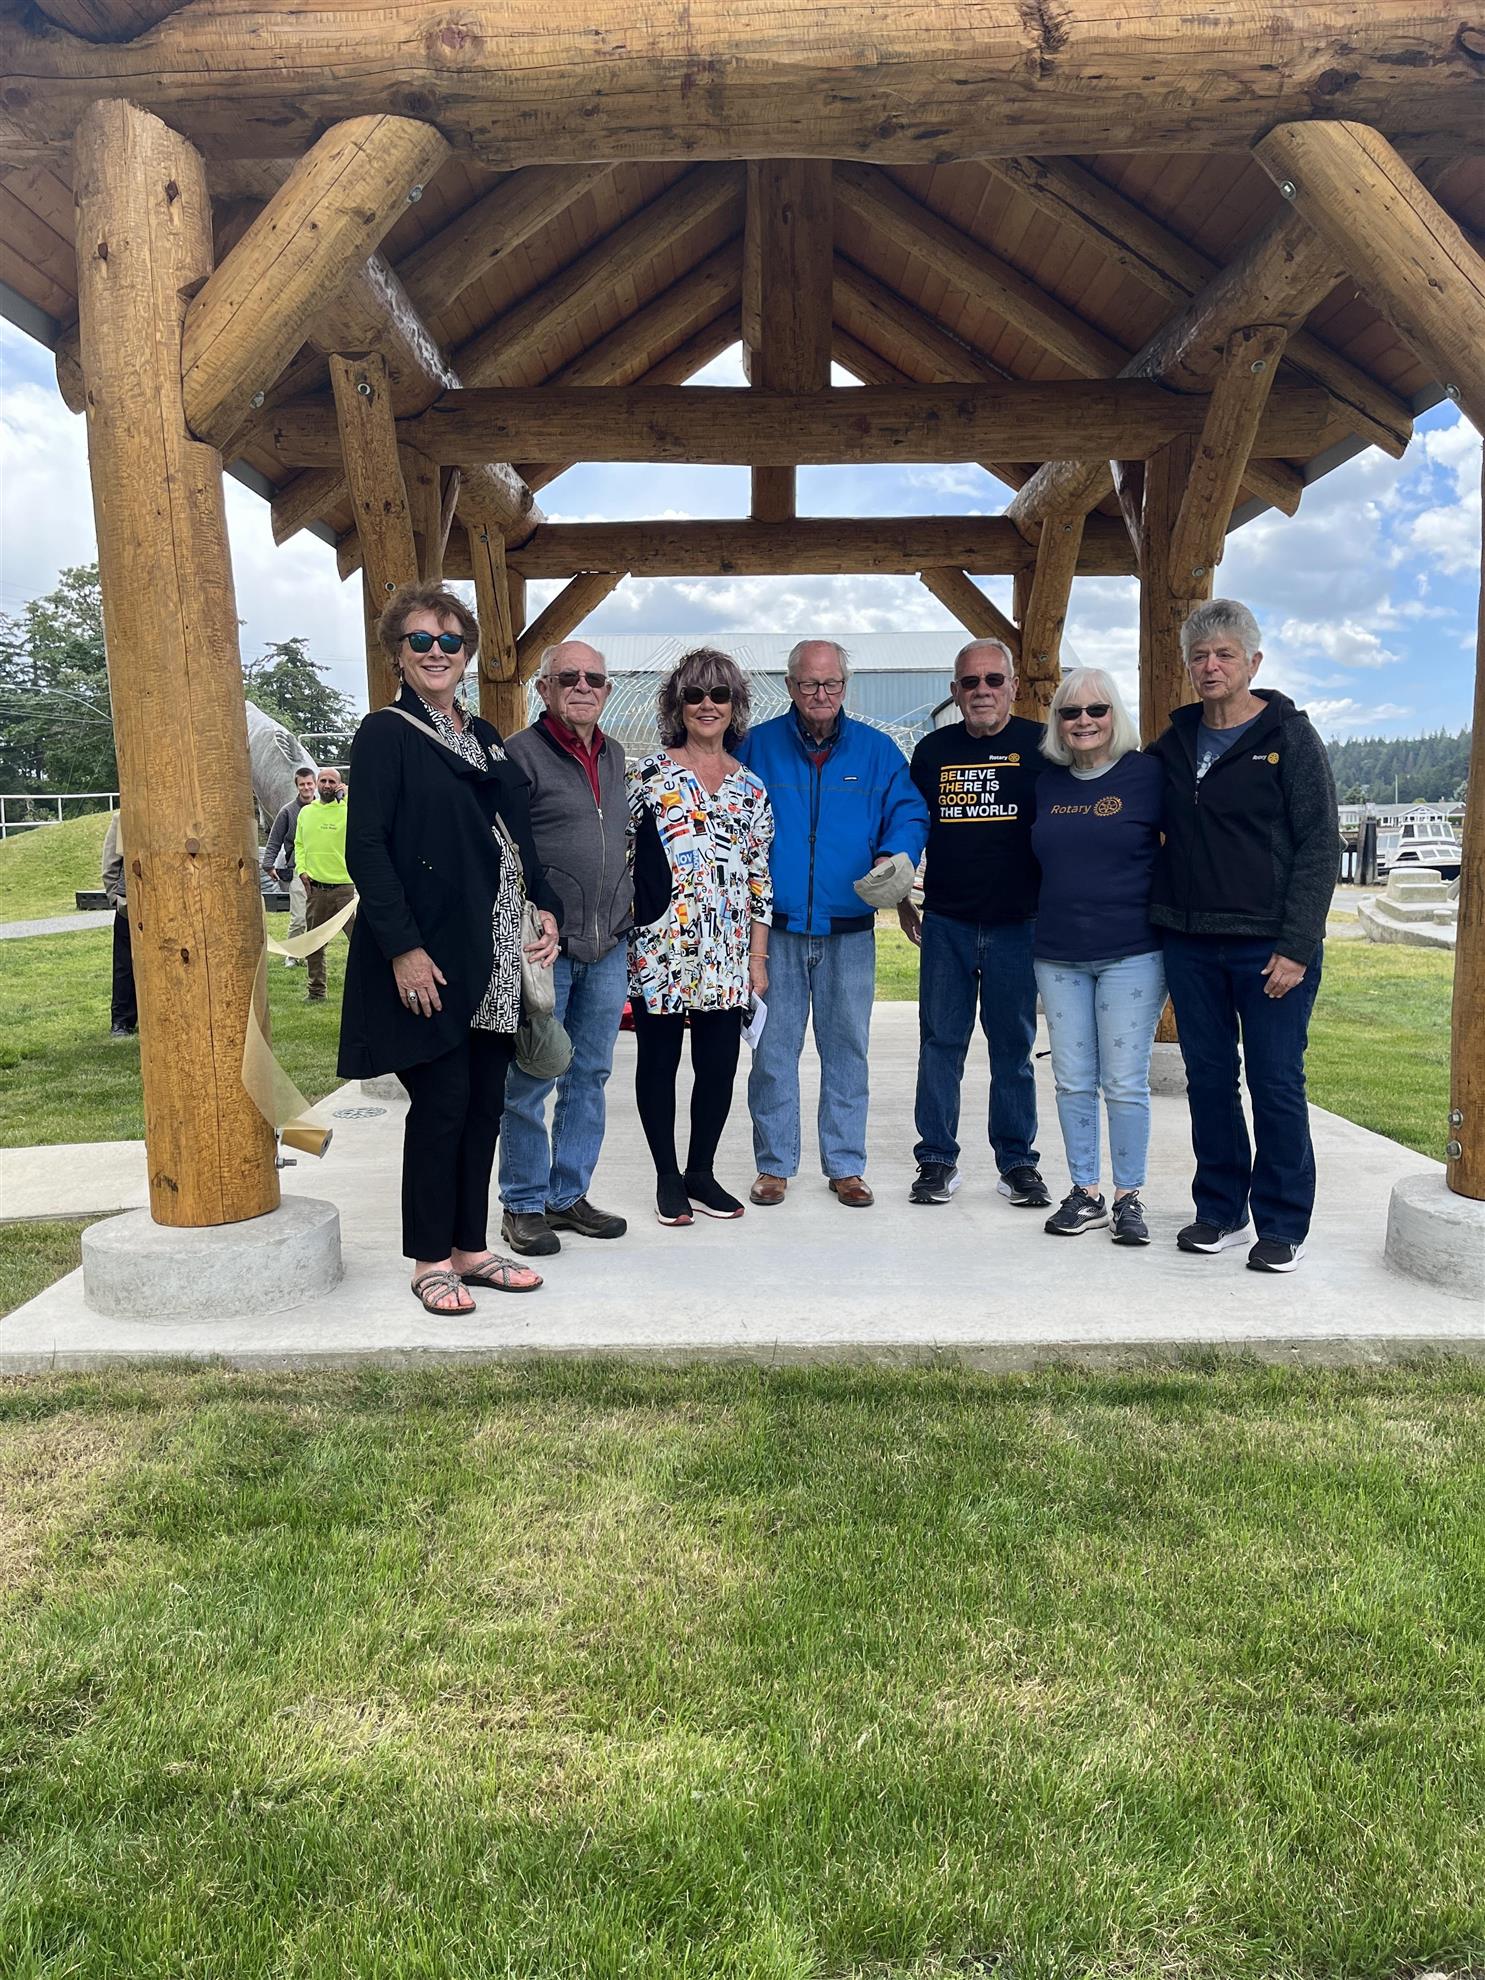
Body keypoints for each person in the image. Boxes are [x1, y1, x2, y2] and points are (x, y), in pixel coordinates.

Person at [337, 580, 560, 1313]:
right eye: (420, 641)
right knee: (440, 1104)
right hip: (429, 955)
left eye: (449, 641)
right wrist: (402, 948)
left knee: (483, 1106)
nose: (436, 653)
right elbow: (366, 847)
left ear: (466, 653)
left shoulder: (488, 736)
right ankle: (429, 1259)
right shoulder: (385, 734)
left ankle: (470, 1249)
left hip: (495, 954)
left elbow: (517, 838)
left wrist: (544, 907)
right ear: (397, 655)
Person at [1148, 599, 1340, 1275]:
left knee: (1275, 1081)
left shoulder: (1289, 737)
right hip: (1191, 942)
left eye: (1224, 654)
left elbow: (1320, 845)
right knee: (1208, 1080)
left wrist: (1295, 946)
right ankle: (1221, 1211)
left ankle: (1282, 1223)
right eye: (1199, 656)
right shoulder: (1171, 746)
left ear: (1252, 662)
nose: (1210, 666)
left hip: (1269, 949)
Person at [737, 639, 928, 1209]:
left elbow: (910, 811)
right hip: (778, 930)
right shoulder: (757, 746)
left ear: (845, 687)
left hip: (849, 931)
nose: (821, 695)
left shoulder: (877, 751)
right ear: (791, 686)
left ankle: (846, 1165)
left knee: (847, 1049)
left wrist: (894, 854)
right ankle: (774, 1165)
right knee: (773, 1052)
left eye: (832, 685)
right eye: (809, 684)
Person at [899, 640, 1048, 1210]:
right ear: (954, 692)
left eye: (992, 680)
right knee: (940, 1043)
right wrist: (901, 900)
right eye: (969, 682)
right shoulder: (933, 750)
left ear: (1012, 685)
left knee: (1013, 1046)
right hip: (948, 922)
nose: (981, 690)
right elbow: (910, 829)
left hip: (1019, 922)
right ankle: (936, 1160)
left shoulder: (1043, 745)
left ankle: (1017, 1163)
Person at [627, 646, 773, 1227]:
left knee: (718, 1065)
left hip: (729, 951)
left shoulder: (753, 789)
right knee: (659, 1062)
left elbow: (761, 877)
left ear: (735, 705)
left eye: (720, 695)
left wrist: (757, 957)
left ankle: (701, 1171)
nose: (707, 705)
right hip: (662, 947)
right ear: (677, 704)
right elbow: (623, 861)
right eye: (694, 694)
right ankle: (666, 1176)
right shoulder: (647, 776)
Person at [498, 640, 632, 1257]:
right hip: (545, 948)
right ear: (544, 689)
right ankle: (523, 1203)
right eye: (568, 677)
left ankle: (566, 1194)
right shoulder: (518, 756)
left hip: (607, 947)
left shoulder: (616, 756)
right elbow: (509, 852)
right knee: (532, 1073)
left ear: (606, 689)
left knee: (590, 1075)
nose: (583, 686)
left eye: (595, 678)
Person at [1032, 669, 1166, 1243]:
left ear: (1116, 716)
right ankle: (1085, 1191)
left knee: (1126, 1081)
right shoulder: (1046, 783)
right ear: (1058, 724)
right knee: (1072, 1079)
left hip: (1131, 951)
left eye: (1097, 710)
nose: (1083, 721)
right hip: (1058, 952)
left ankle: (1129, 1195)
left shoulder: (1148, 776)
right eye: (1070, 712)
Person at [294, 765, 354, 1004]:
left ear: (339, 784)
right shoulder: (306, 813)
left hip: (345, 890)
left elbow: (369, 819)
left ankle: (368, 989)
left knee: (360, 943)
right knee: (314, 944)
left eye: (332, 781)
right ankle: (316, 992)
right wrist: (302, 870)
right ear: (317, 784)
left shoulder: (350, 810)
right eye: (323, 781)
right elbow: (298, 844)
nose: (327, 785)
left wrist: (350, 796)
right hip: (316, 890)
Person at [262, 763, 317, 966]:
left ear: (315, 785)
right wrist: (268, 864)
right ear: (297, 786)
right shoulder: (288, 811)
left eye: (309, 783)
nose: (306, 788)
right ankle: (292, 955)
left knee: (319, 919)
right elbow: (275, 839)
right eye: (302, 784)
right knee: (299, 918)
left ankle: (313, 956)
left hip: (323, 870)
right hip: (298, 870)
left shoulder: (325, 810)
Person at [101, 810, 137, 1039]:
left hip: (167, 903)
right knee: (125, 964)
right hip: (130, 902)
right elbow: (110, 863)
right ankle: (122, 1020)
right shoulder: (123, 818)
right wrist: (116, 897)